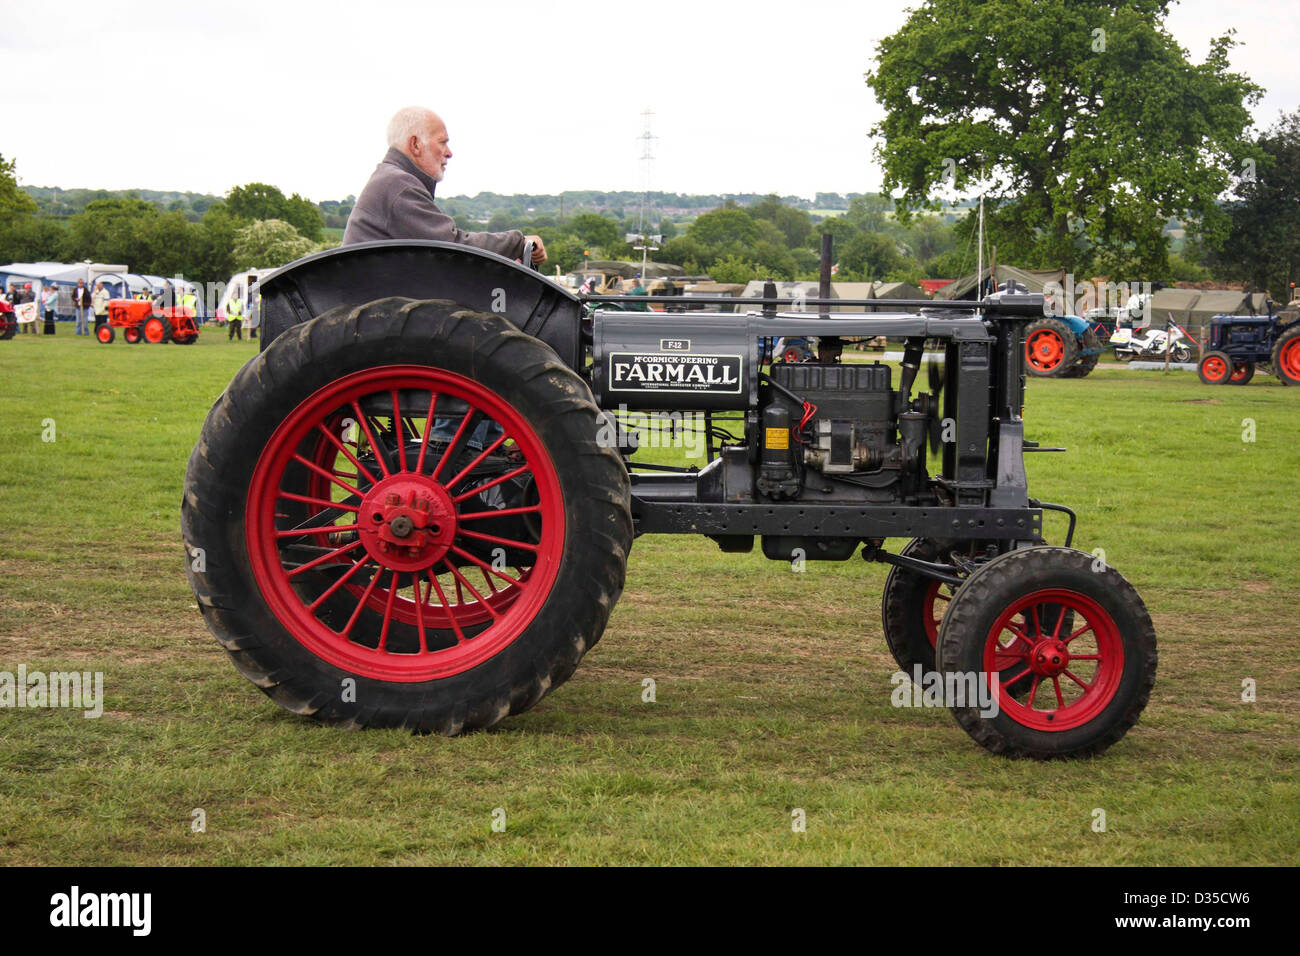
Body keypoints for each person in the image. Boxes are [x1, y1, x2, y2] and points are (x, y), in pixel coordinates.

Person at [343, 106, 546, 266]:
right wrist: (517, 243)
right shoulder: (399, 186)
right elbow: (452, 248)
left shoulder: (391, 180)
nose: (449, 153)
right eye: (442, 142)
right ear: (415, 145)